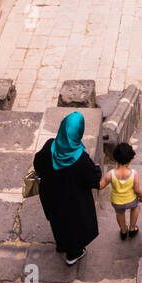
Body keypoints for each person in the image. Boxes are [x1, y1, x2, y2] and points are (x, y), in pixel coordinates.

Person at [32, 112, 100, 266]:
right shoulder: (81, 160)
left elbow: (38, 164)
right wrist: (97, 169)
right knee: (75, 226)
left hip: (52, 197)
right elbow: (94, 181)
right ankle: (73, 254)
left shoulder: (50, 146)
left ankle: (62, 244)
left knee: (59, 223)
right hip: (74, 203)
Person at [99, 142, 142, 240]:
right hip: (131, 200)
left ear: (116, 158)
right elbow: (137, 190)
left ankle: (123, 231)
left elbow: (100, 186)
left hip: (117, 202)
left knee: (119, 213)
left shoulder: (110, 174)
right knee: (135, 208)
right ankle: (132, 229)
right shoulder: (134, 174)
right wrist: (141, 196)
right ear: (130, 159)